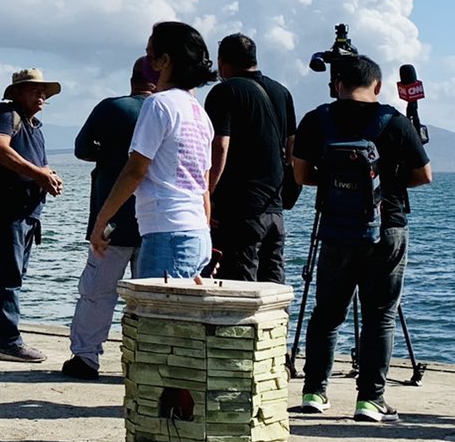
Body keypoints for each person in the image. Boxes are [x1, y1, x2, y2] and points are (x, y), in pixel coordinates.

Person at [291, 51, 433, 423]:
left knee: (326, 315)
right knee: (379, 316)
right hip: (387, 228)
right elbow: (424, 175)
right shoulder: (395, 122)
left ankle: (314, 393)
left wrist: (337, 183)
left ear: (337, 85)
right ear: (378, 85)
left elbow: (301, 175)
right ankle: (370, 401)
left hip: (336, 228)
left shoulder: (316, 120)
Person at [89, 23, 216, 281]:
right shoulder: (199, 113)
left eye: (150, 54)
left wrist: (102, 220)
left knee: (153, 318)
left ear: (164, 61)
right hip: (196, 233)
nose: (146, 60)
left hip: (166, 234)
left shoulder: (158, 104)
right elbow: (203, 184)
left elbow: (135, 169)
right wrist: (205, 230)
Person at [64, 56, 156, 380]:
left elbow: (81, 149)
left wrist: (109, 152)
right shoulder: (168, 111)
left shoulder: (111, 108)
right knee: (150, 298)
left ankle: (85, 358)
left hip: (111, 220)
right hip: (156, 222)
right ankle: (147, 363)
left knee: (97, 292)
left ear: (132, 79)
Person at [0, 68, 66, 363]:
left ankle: (5, 337)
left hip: (27, 213)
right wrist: (39, 174)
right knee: (9, 274)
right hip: (8, 210)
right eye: (34, 90)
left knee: (14, 273)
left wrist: (47, 176)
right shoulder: (6, 113)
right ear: (16, 92)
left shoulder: (34, 126)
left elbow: (31, 163)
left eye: (44, 91)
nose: (41, 95)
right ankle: (7, 340)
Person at [205, 34, 298, 284]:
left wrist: (207, 196)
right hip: (274, 208)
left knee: (238, 288)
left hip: (238, 210)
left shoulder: (223, 92)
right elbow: (292, 148)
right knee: (273, 288)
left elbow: (220, 148)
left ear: (223, 62)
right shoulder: (282, 92)